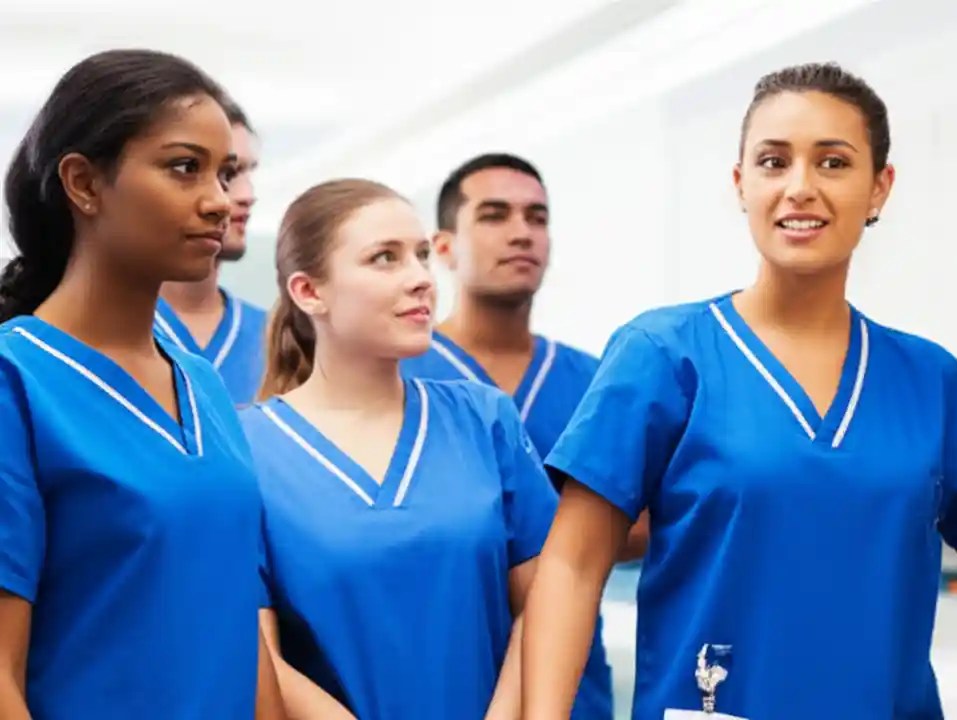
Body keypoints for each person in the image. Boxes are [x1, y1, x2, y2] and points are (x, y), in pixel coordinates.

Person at [520, 61, 957, 719]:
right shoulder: (662, 355)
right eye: (774, 161)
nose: (800, 185)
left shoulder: (930, 381)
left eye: (833, 162)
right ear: (741, 184)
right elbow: (573, 565)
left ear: (878, 188)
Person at [0, 49, 283, 719]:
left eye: (227, 172)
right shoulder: (17, 382)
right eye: (184, 168)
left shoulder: (204, 386)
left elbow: (239, 626)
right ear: (84, 183)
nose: (219, 202)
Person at [242, 178, 560, 720]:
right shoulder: (246, 450)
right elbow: (258, 659)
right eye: (384, 259)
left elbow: (546, 605)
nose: (420, 279)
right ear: (308, 292)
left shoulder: (483, 419)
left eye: (419, 256)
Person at [402, 153, 643, 719]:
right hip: (442, 672)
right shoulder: (398, 373)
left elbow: (645, 523)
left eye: (537, 218)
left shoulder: (596, 379)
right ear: (443, 247)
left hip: (569, 682)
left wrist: (543, 539)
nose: (521, 233)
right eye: (494, 215)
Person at [154, 96, 267, 406]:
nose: (247, 195)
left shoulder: (284, 338)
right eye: (228, 174)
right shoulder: (94, 335)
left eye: (248, 172)